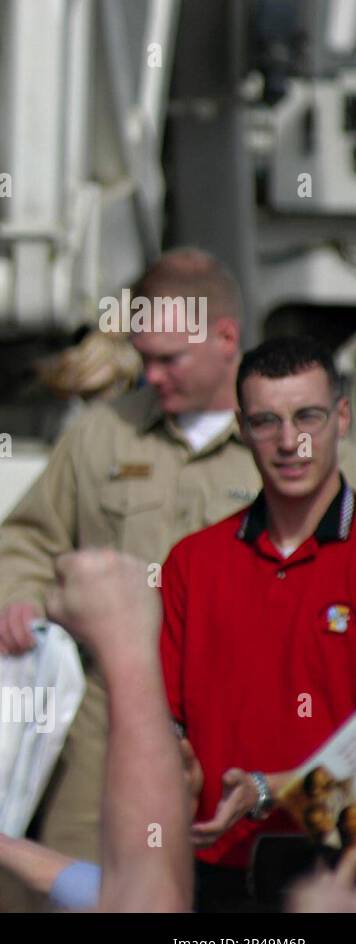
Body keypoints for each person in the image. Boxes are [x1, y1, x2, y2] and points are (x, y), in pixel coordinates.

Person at [0, 248, 262, 862]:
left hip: (241, 718)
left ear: (225, 338)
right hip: (103, 717)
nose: (151, 376)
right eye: (144, 358)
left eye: (170, 360)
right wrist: (24, 601)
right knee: (76, 879)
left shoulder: (290, 444)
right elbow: (31, 537)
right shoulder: (102, 433)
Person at [160, 336, 356, 911]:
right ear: (242, 429)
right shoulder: (192, 563)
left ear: (342, 417)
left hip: (339, 873)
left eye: (308, 417)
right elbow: (164, 719)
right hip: (211, 870)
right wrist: (172, 761)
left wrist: (274, 793)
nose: (288, 440)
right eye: (266, 421)